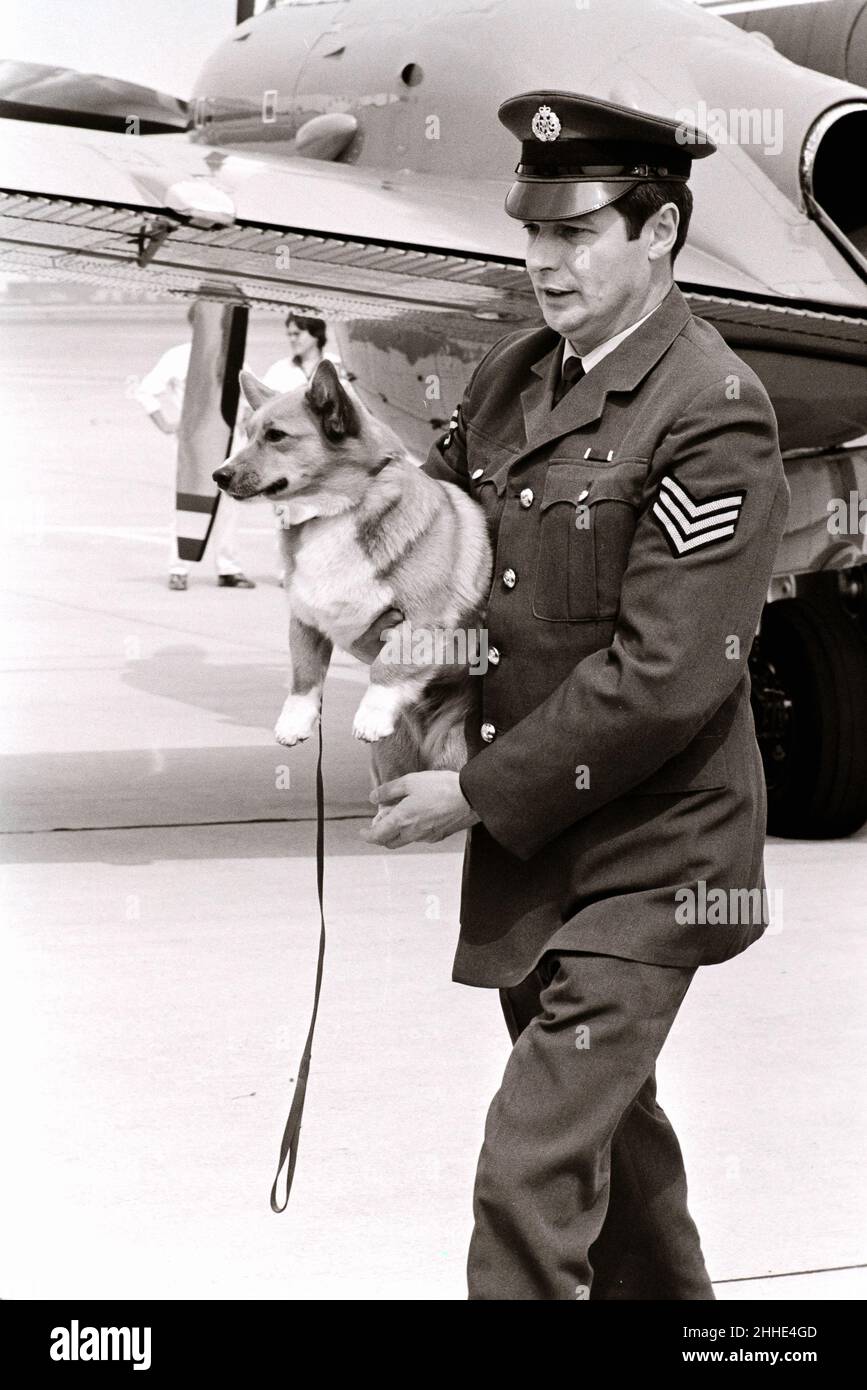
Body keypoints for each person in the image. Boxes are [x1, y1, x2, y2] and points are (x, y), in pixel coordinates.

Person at [355, 92, 790, 1299]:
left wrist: (472, 792)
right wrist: (390, 657)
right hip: (541, 855)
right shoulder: (511, 378)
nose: (544, 261)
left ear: (660, 232)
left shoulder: (712, 410)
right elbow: (435, 545)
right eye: (532, 231)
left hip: (656, 859)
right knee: (623, 1184)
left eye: (576, 232)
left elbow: (669, 675)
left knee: (528, 1174)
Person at [135, 304, 255, 590]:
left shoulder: (234, 359)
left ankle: (228, 568)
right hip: (195, 445)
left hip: (231, 442)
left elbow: (251, 393)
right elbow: (147, 390)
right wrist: (167, 424)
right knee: (190, 503)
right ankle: (179, 568)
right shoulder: (177, 357)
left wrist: (246, 420)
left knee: (229, 506)